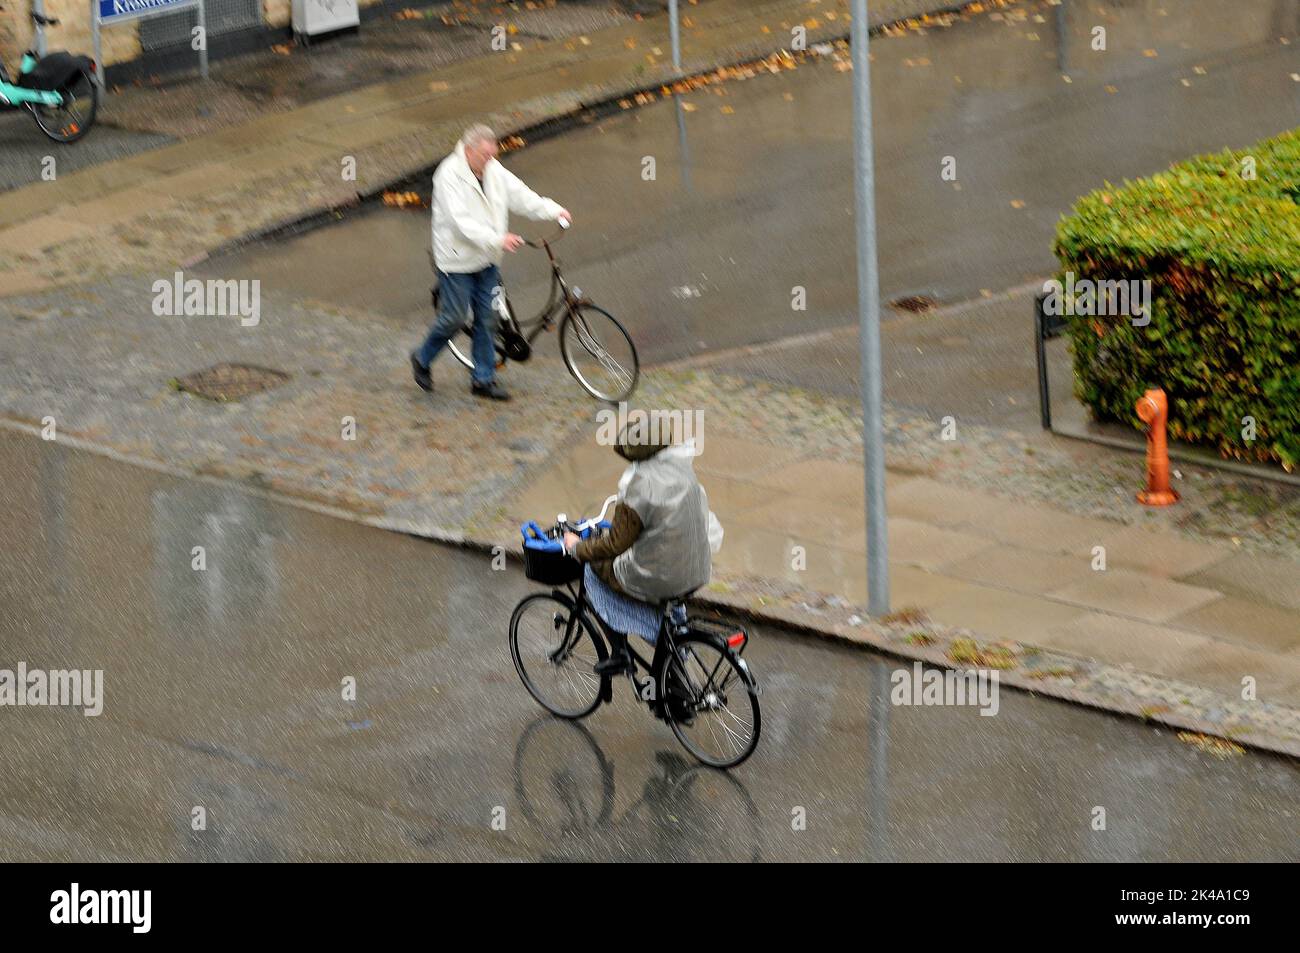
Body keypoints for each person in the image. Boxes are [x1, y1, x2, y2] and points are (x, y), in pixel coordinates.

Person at [410, 124, 571, 402]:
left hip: (487, 260)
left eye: (493, 154)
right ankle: (422, 357)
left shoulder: (493, 169)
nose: (491, 159)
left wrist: (554, 210)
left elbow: (521, 196)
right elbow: (461, 223)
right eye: (485, 154)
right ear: (469, 150)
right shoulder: (448, 175)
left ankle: (482, 379)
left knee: (488, 318)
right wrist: (498, 239)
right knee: (455, 317)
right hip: (457, 261)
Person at [562, 425, 712, 676]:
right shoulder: (683, 470)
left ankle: (620, 654)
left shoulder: (638, 487)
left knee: (593, 571)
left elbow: (615, 544)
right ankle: (672, 664)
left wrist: (577, 548)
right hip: (695, 567)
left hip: (664, 574)